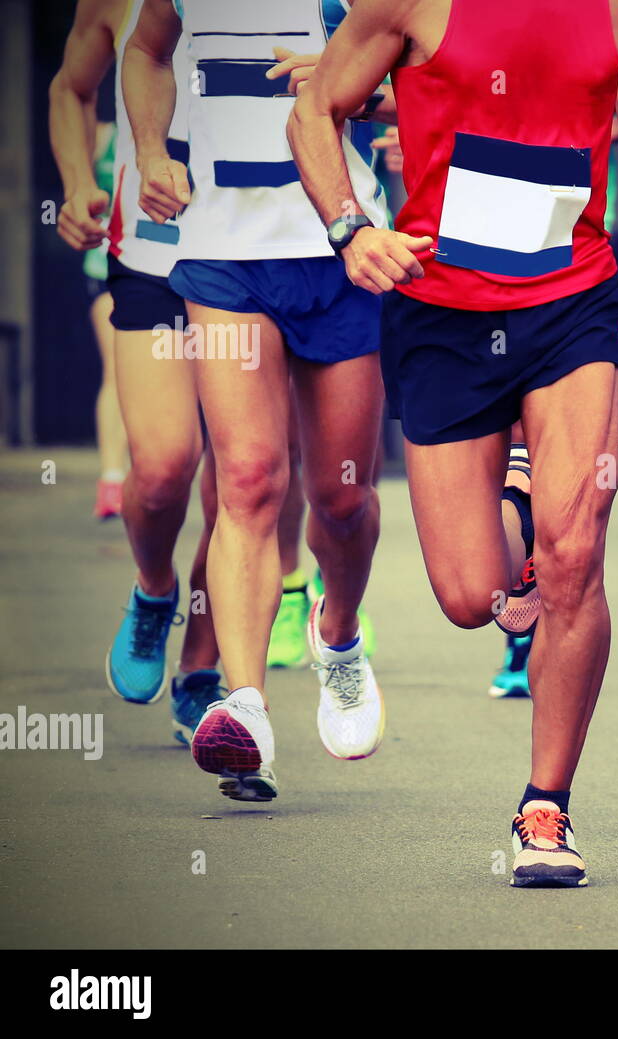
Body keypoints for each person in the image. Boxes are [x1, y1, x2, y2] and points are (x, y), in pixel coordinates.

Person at [288, 0, 618, 886]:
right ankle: (518, 518)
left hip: (572, 302)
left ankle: (546, 806)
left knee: (578, 556)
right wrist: (350, 228)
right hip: (440, 310)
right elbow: (313, 110)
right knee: (468, 593)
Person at [124, 0, 394, 801]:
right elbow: (144, 52)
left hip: (338, 249)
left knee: (341, 497)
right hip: (224, 256)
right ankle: (247, 711)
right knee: (245, 476)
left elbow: (437, 72)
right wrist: (150, 152)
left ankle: (337, 637)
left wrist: (362, 87)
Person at [50, 0, 225, 743]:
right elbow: (70, 88)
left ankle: (203, 667)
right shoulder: (119, 4)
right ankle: (156, 591)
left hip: (265, 253)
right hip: (153, 256)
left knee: (246, 478)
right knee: (161, 468)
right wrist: (76, 184)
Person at [84, 120, 130, 519]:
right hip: (107, 267)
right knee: (117, 372)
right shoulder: (101, 135)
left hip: (175, 264)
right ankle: (112, 479)